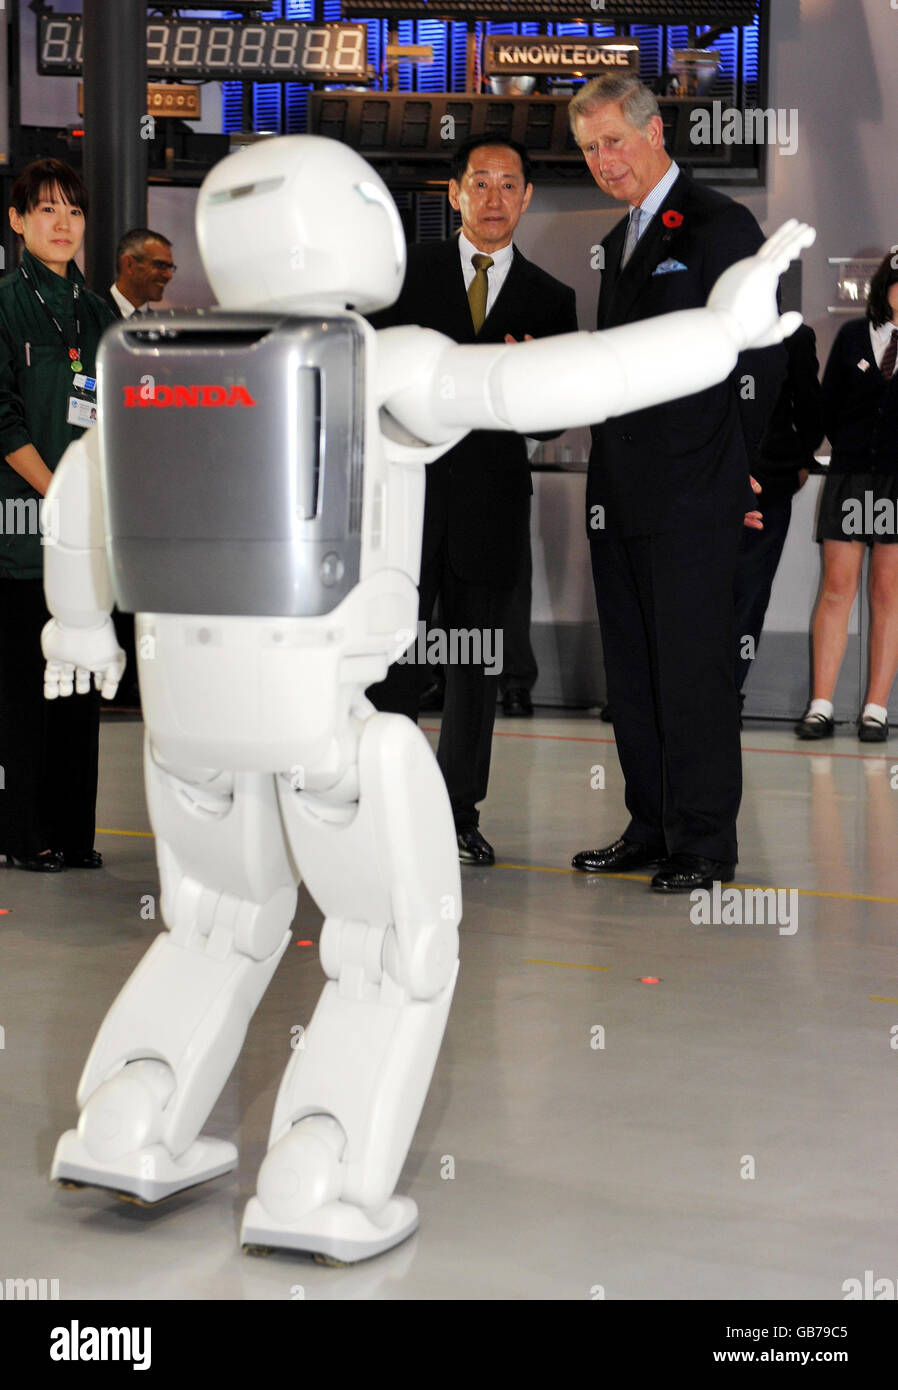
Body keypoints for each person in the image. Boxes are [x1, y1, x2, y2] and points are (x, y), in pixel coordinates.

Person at [568, 74, 786, 893]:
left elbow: (761, 354)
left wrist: (744, 475)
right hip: (621, 492)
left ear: (655, 132)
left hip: (695, 493)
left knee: (693, 669)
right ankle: (652, 824)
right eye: (589, 149)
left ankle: (704, 843)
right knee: (633, 670)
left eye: (613, 141)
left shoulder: (720, 225)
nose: (602, 160)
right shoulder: (621, 236)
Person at [367, 136, 578, 864]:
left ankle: (457, 814)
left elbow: (553, 420)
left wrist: (526, 385)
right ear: (454, 193)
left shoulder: (552, 300)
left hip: (488, 510)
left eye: (507, 186)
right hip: (402, 506)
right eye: (479, 183)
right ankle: (377, 809)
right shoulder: (402, 278)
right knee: (390, 663)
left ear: (525, 199)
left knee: (474, 668)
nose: (493, 199)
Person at [0, 157, 117, 870]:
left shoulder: (98, 312)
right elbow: (2, 416)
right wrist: (57, 492)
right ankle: (20, 835)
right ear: (16, 222)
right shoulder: (7, 302)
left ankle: (73, 833)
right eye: (45, 209)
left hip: (88, 536)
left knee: (78, 682)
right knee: (21, 688)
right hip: (20, 529)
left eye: (72, 210)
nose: (62, 223)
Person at [795, 252, 898, 743]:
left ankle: (875, 709)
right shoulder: (854, 336)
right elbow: (828, 404)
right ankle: (821, 705)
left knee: (888, 595)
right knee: (838, 587)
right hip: (853, 478)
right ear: (885, 288)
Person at [735, 324, 823, 703]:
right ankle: (692, 693)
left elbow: (811, 409)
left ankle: (727, 692)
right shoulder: (702, 324)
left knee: (749, 594)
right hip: (702, 482)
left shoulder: (793, 337)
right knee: (707, 592)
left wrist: (799, 460)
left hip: (766, 482)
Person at [103, 227, 175, 319]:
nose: (169, 275)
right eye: (160, 265)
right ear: (129, 264)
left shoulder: (161, 326)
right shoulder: (88, 315)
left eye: (170, 267)